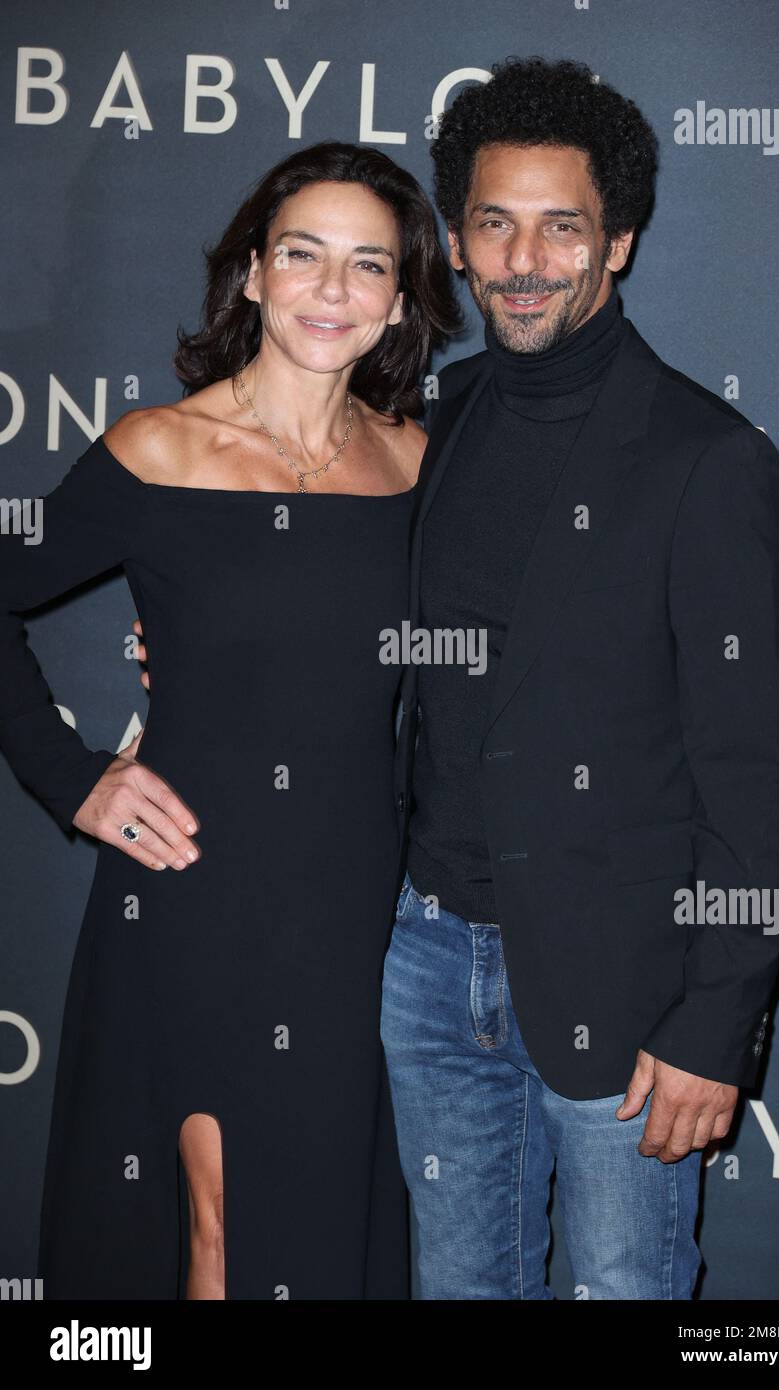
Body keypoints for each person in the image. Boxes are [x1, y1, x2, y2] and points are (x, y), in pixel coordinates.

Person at [380, 57, 779, 1299]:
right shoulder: (437, 417)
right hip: (423, 961)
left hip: (626, 987)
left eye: (559, 226)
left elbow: (755, 773)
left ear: (615, 242)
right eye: (492, 223)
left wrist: (713, 1025)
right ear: (455, 242)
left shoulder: (706, 460)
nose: (522, 259)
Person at [0, 140, 461, 1299]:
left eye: (366, 265)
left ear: (398, 299)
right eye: (302, 255)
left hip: (361, 902)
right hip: (197, 887)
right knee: (222, 1227)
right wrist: (75, 776)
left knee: (322, 1227)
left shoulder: (420, 464)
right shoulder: (160, 450)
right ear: (252, 273)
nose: (330, 290)